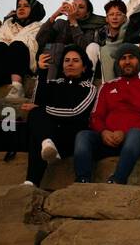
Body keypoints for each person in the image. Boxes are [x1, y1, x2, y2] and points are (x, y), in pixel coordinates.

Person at [73, 44, 140, 184]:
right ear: (118, 63)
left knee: (135, 134)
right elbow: (95, 116)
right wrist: (103, 132)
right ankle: (82, 180)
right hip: (107, 140)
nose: (127, 61)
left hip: (136, 142)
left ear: (138, 60)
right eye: (123, 58)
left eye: (131, 57)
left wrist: (125, 133)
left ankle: (118, 180)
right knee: (83, 136)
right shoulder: (107, 86)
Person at [21, 45, 97, 186]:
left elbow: (76, 112)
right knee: (35, 115)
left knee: (38, 116)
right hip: (50, 135)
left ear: (84, 67)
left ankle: (32, 178)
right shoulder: (54, 84)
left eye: (75, 60)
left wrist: (44, 109)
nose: (70, 63)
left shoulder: (89, 88)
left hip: (71, 137)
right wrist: (42, 72)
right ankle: (31, 182)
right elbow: (37, 102)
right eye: (66, 60)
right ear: (62, 66)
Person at [39, 0, 106, 79]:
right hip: (56, 64)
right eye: (74, 5)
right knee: (53, 47)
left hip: (79, 68)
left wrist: (73, 22)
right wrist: (54, 16)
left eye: (81, 7)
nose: (76, 9)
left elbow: (84, 47)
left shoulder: (92, 28)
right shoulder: (61, 24)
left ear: (87, 13)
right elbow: (40, 40)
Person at [92, 0, 129, 81]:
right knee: (94, 47)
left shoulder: (130, 31)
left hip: (126, 65)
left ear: (124, 18)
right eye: (111, 14)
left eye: (118, 14)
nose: (114, 17)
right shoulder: (100, 33)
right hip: (103, 69)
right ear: (107, 19)